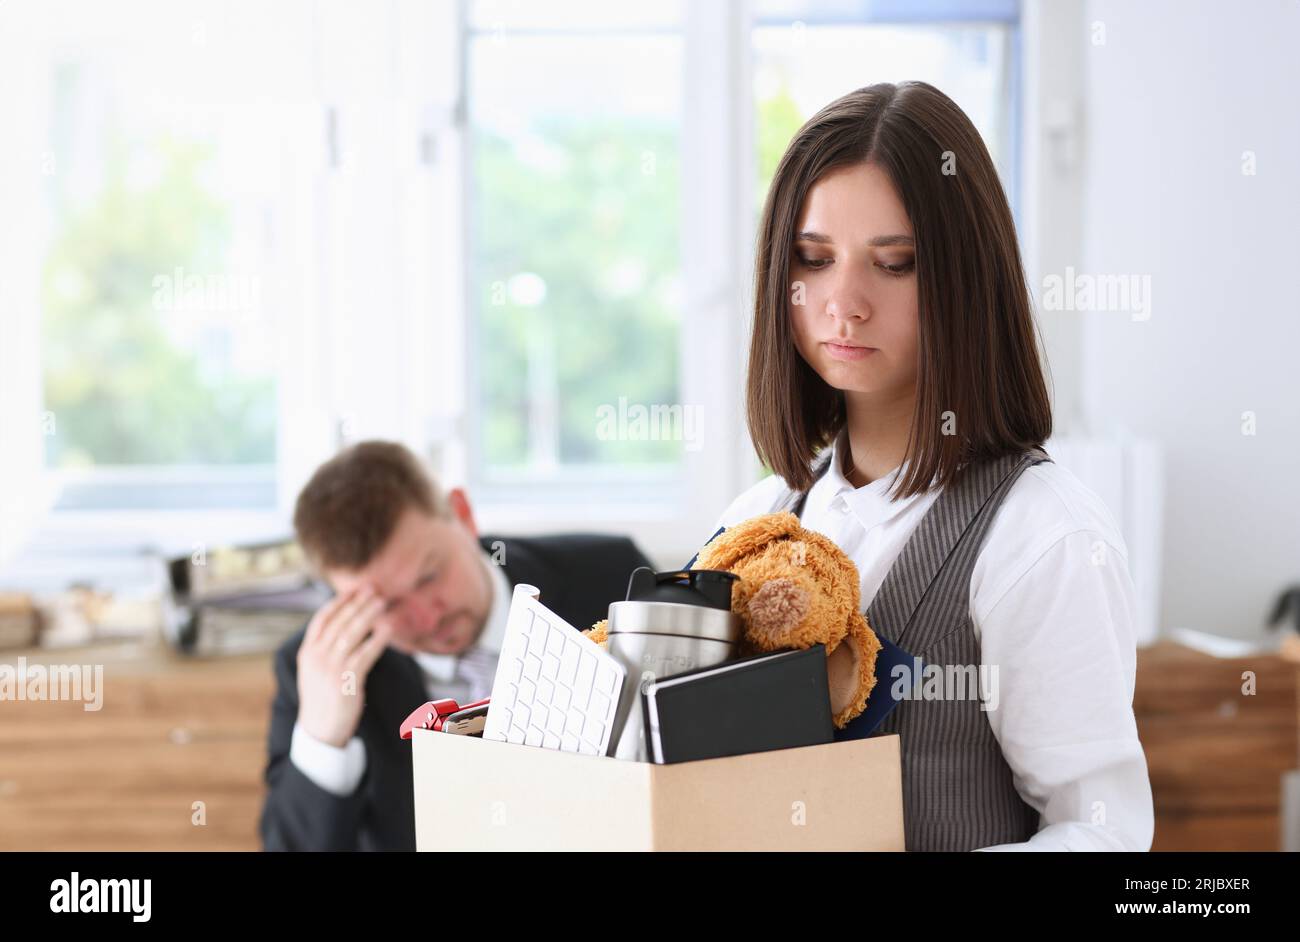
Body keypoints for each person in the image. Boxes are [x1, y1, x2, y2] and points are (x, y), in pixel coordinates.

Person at [713, 82, 1153, 851]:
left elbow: (1101, 833)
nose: (842, 304)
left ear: (965, 282)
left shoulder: (1041, 537)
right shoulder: (755, 519)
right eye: (813, 260)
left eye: (896, 264)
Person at [259, 440, 653, 851]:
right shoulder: (314, 671)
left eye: (429, 576)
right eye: (387, 605)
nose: (428, 618)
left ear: (463, 516)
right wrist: (323, 738)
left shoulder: (616, 578)